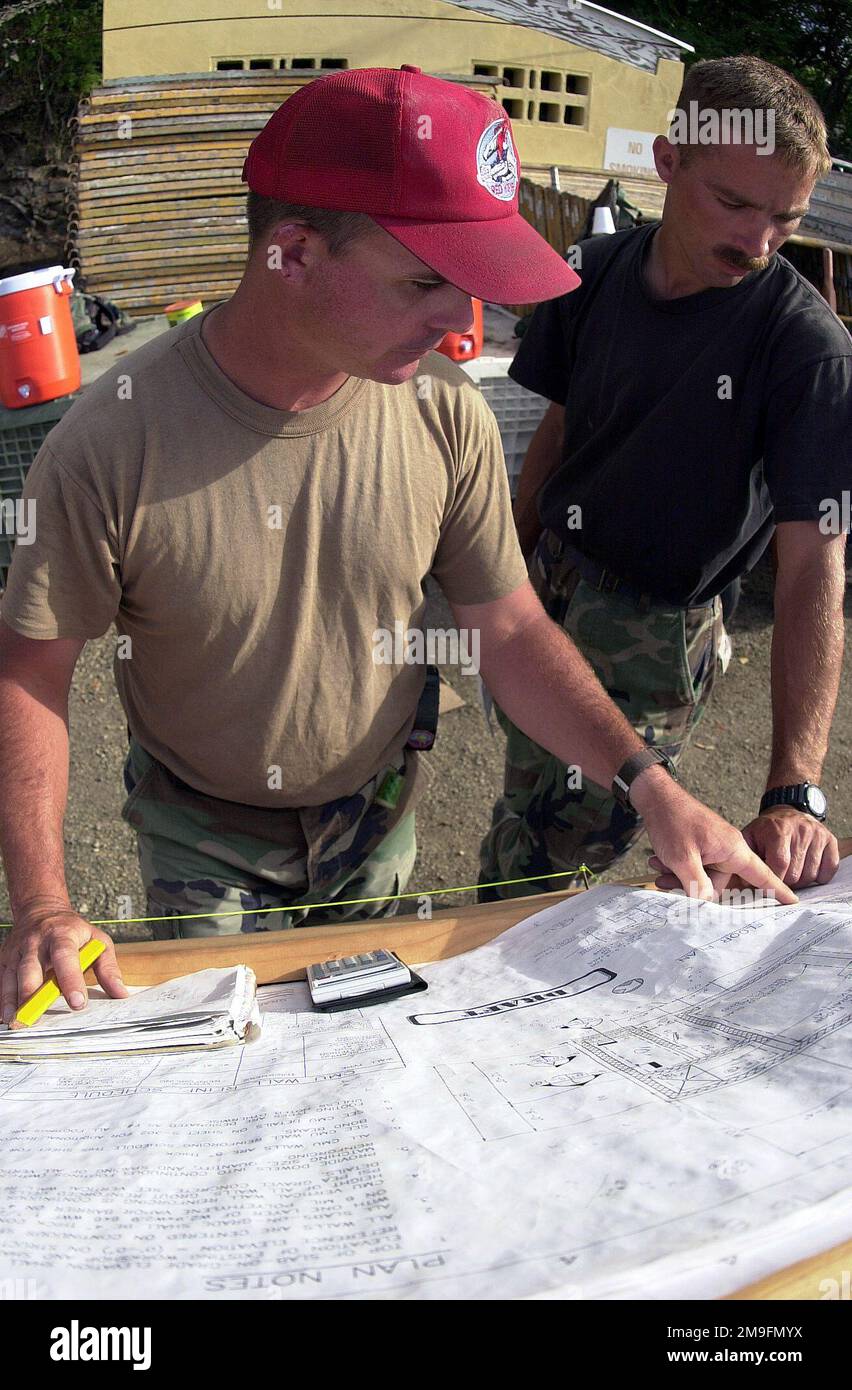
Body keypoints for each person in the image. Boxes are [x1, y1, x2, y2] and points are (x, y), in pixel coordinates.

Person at [0, 64, 794, 1024]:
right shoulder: (110, 443)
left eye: (467, 289)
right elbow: (31, 675)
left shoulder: (443, 417)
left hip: (378, 826)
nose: (461, 325)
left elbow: (506, 628)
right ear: (292, 251)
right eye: (425, 281)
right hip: (202, 837)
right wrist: (43, 900)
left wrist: (650, 785)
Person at [480, 55, 850, 904]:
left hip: (654, 634)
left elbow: (814, 570)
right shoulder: (593, 270)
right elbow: (561, 430)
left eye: (785, 220)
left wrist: (794, 789)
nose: (757, 243)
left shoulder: (806, 351)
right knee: (522, 803)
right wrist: (501, 571)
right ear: (668, 161)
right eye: (735, 203)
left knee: (553, 871)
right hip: (548, 594)